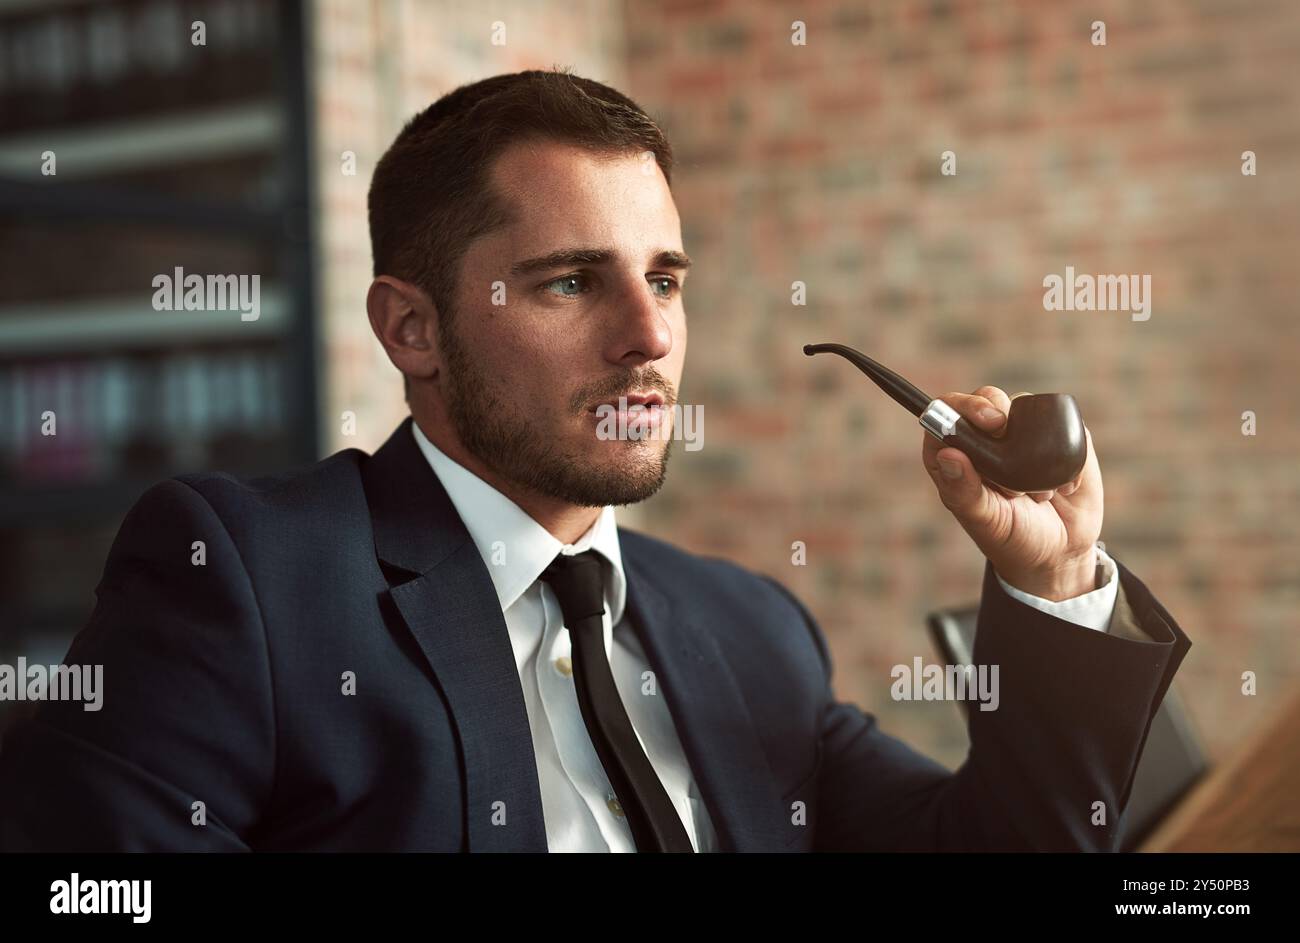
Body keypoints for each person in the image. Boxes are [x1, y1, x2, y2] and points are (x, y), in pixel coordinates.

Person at [0, 69, 1189, 852]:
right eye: (574, 281)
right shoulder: (246, 577)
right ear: (411, 328)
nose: (651, 336)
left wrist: (1053, 582)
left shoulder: (749, 626)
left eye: (664, 279)